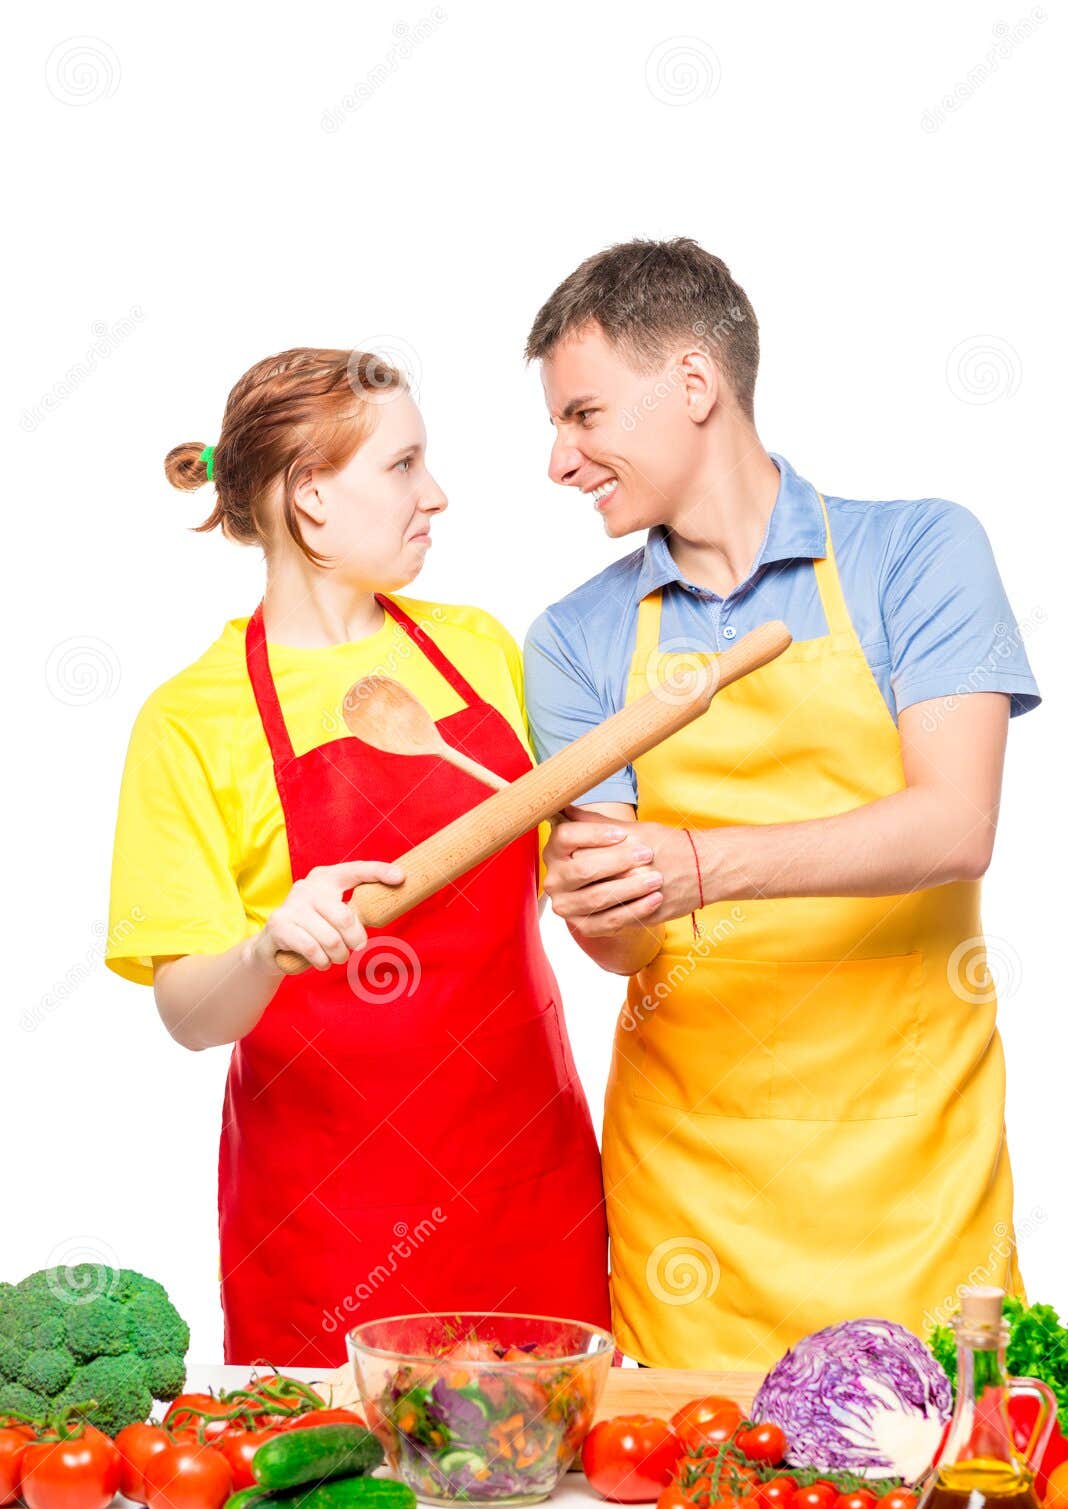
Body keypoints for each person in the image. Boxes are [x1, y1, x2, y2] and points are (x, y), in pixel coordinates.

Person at [522, 239, 1040, 1373]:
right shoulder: (573, 639)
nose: (559, 460)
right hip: (694, 1201)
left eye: (584, 415)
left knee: (939, 1492)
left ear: (696, 385)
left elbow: (955, 822)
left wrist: (695, 862)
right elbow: (626, 938)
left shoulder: (918, 551)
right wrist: (598, 904)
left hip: (914, 1174)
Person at [106, 347, 609, 1367]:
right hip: (331, 1220)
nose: (438, 495)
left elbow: (574, 879)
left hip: (528, 1180)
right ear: (311, 496)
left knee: (549, 1501)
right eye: (405, 465)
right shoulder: (193, 721)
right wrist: (263, 951)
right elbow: (189, 1016)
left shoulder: (478, 648)